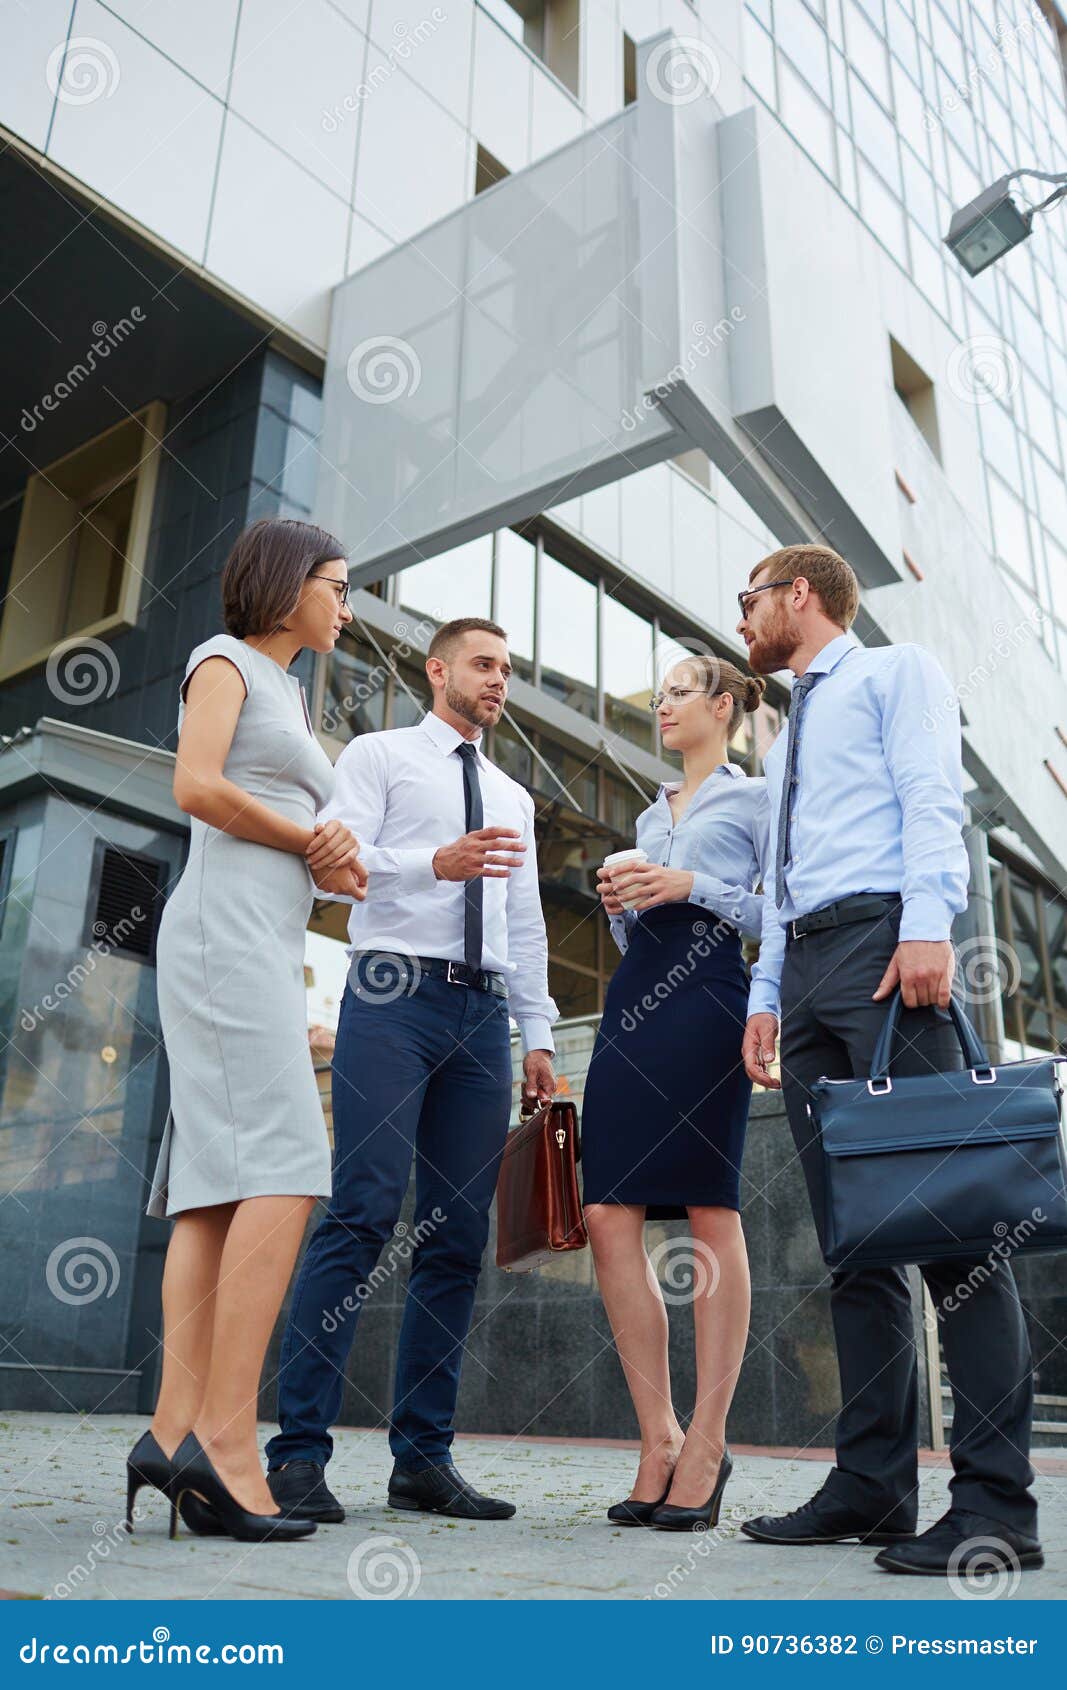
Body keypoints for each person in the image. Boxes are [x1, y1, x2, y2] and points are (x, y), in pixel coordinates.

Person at [738, 543, 1040, 1576]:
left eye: (749, 601)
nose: (741, 622)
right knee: (855, 1247)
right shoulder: (781, 734)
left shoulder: (890, 668)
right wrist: (765, 992)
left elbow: (929, 798)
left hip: (883, 950)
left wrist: (927, 926)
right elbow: (782, 877)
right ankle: (870, 1485)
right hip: (813, 965)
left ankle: (995, 1506)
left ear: (799, 595)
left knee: (957, 1238)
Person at [264, 617, 558, 1523]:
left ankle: (421, 1460)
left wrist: (537, 1033)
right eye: (483, 664)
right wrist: (431, 862)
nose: (498, 680)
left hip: (480, 1019)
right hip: (391, 996)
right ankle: (296, 1456)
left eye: (507, 669)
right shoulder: (380, 756)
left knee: (457, 1237)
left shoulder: (513, 795)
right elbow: (329, 871)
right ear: (438, 672)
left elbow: (525, 921)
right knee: (359, 1212)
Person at [134, 518, 367, 1544]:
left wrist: (335, 862)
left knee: (214, 1194)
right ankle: (226, 1443)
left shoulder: (290, 693)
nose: (346, 605)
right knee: (288, 1166)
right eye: (339, 586)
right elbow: (194, 787)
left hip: (259, 937)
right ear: (287, 586)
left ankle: (168, 1430)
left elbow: (287, 822)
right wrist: (310, 841)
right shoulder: (221, 658)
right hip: (221, 935)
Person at [582, 655, 771, 1532]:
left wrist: (693, 885)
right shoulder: (646, 813)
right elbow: (632, 934)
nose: (661, 706)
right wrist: (623, 899)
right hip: (635, 1002)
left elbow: (786, 915)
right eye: (656, 696)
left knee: (706, 1208)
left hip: (709, 1004)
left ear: (723, 707)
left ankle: (707, 1438)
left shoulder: (758, 801)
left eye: (678, 693)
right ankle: (656, 1436)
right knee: (605, 1215)